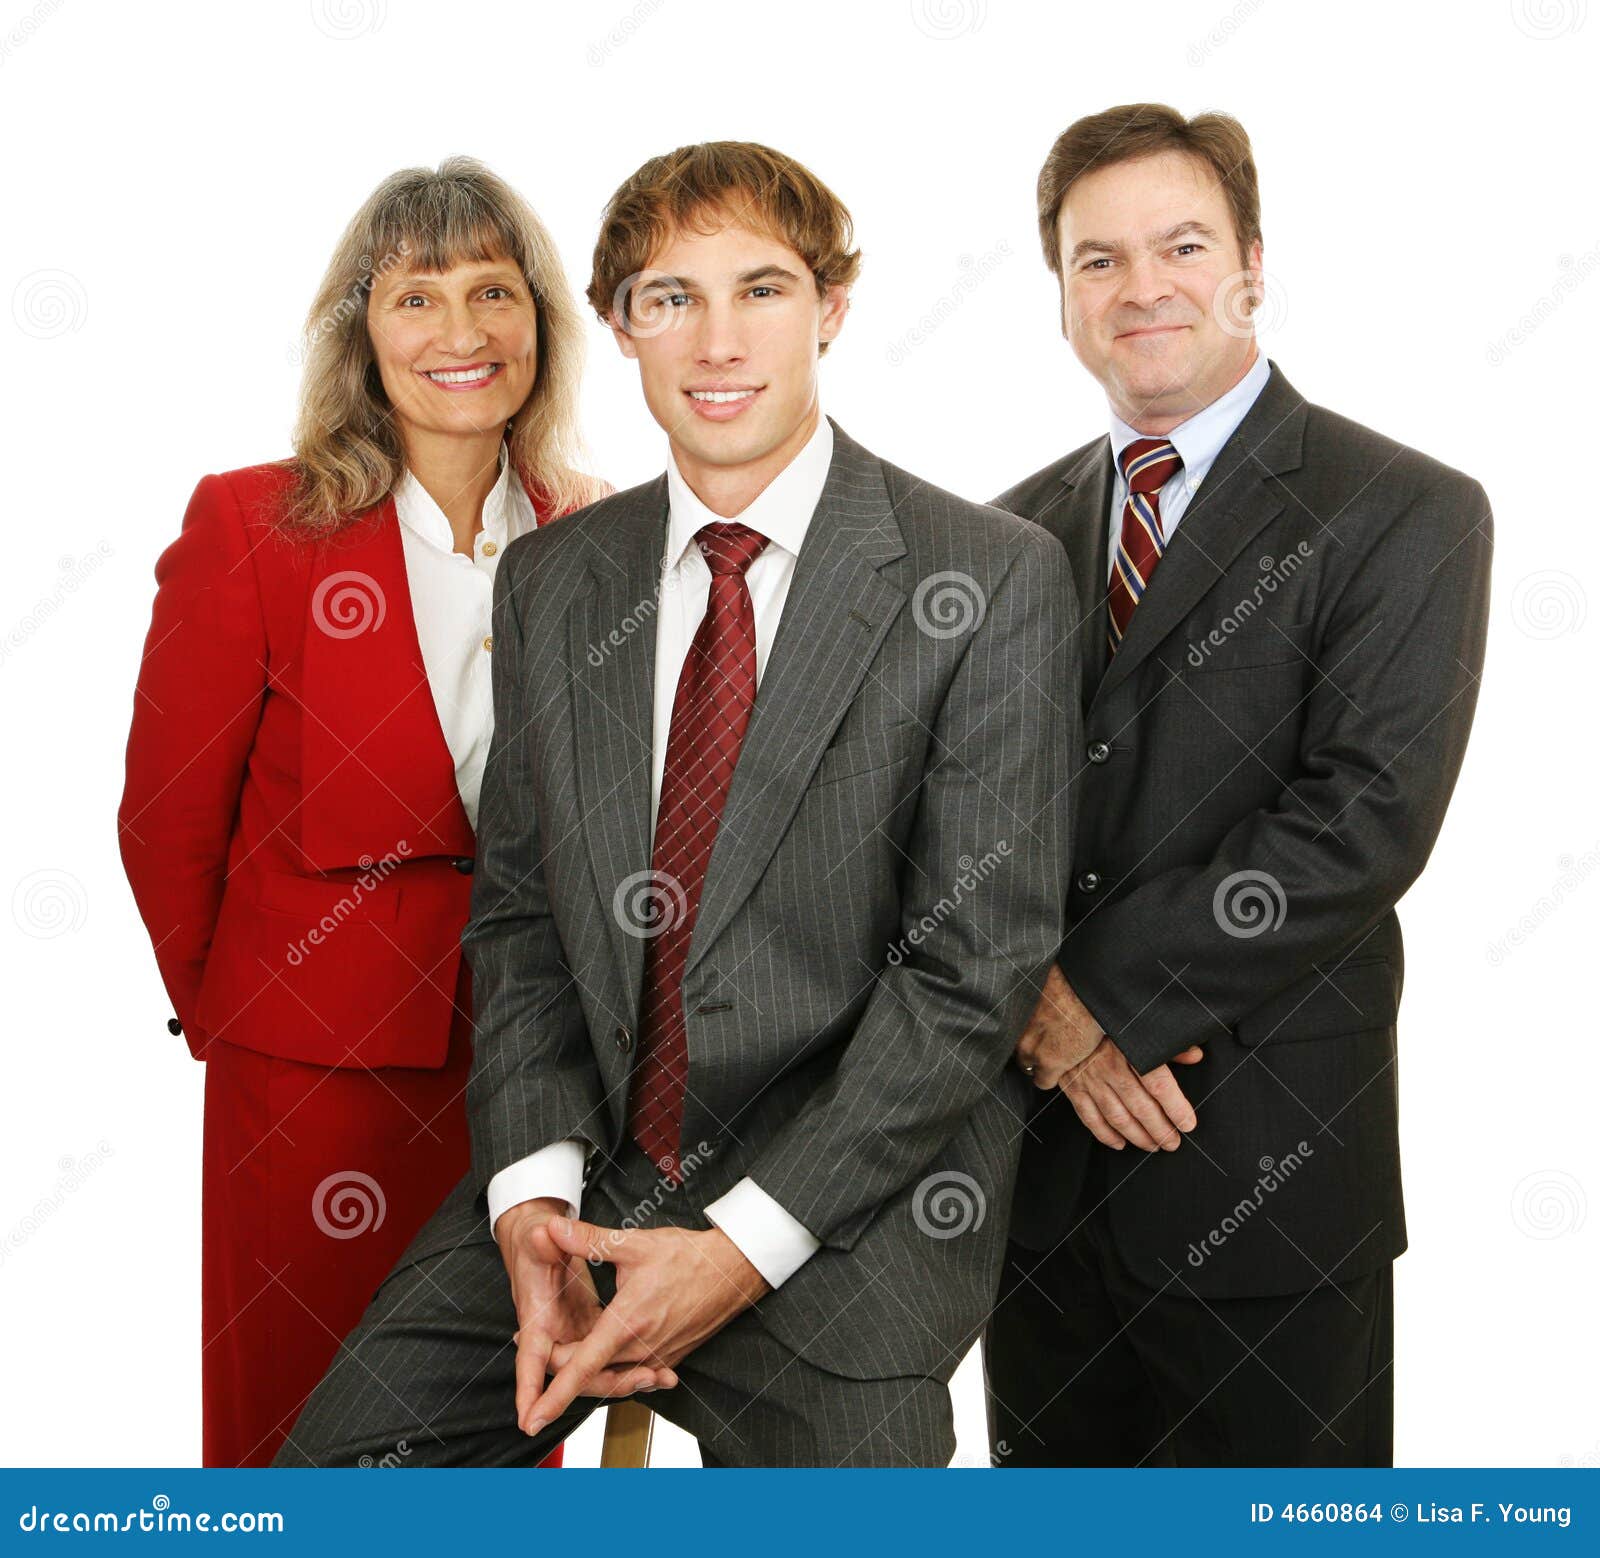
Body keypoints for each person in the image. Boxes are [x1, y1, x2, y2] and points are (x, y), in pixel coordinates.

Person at [274, 140, 1076, 1469]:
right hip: (588, 1184)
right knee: (335, 1484)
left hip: (845, 1208)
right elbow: (523, 917)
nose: (717, 338)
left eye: (760, 289)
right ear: (618, 322)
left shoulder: (985, 577)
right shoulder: (558, 581)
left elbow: (968, 975)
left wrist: (737, 1247)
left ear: (832, 306)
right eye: (669, 296)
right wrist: (531, 1200)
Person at [982, 103, 1492, 1467]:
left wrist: (1093, 1000)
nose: (1142, 286)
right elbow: (956, 824)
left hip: (1263, 1173)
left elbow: (1363, 814)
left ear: (1252, 263)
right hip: (1035, 1190)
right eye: (1098, 260)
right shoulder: (1011, 531)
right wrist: (1035, 1011)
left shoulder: (1405, 509)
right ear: (1063, 299)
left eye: (1182, 244)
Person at [117, 156, 601, 1467]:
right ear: (362, 332)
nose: (461, 332)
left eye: (495, 292)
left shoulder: (597, 533)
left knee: (504, 1422)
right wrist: (239, 1013)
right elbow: (168, 816)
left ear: (541, 325)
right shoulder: (252, 525)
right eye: (418, 296)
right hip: (308, 1078)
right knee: (298, 1428)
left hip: (526, 1074)